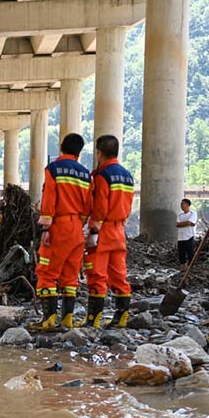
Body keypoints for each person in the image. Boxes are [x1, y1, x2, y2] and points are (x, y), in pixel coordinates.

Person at [32, 133, 92, 330]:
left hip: (58, 226)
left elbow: (49, 198)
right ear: (79, 152)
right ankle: (67, 320)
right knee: (70, 275)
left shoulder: (54, 169)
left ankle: (49, 320)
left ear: (61, 147)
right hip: (76, 229)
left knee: (47, 272)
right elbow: (88, 206)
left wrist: (46, 227)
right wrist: (78, 224)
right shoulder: (85, 174)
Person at [81, 135, 135, 329]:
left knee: (96, 272)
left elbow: (100, 207)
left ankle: (93, 319)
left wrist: (93, 232)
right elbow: (127, 205)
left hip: (103, 230)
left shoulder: (102, 175)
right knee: (118, 273)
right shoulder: (127, 175)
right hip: (119, 230)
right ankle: (122, 317)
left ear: (99, 152)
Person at [175, 199, 197, 269]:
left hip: (189, 236)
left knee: (190, 253)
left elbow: (190, 222)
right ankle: (183, 267)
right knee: (181, 253)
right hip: (181, 237)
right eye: (181, 204)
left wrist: (184, 223)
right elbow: (177, 225)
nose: (181, 206)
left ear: (188, 205)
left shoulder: (193, 213)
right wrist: (186, 223)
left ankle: (191, 268)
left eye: (183, 204)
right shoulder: (180, 214)